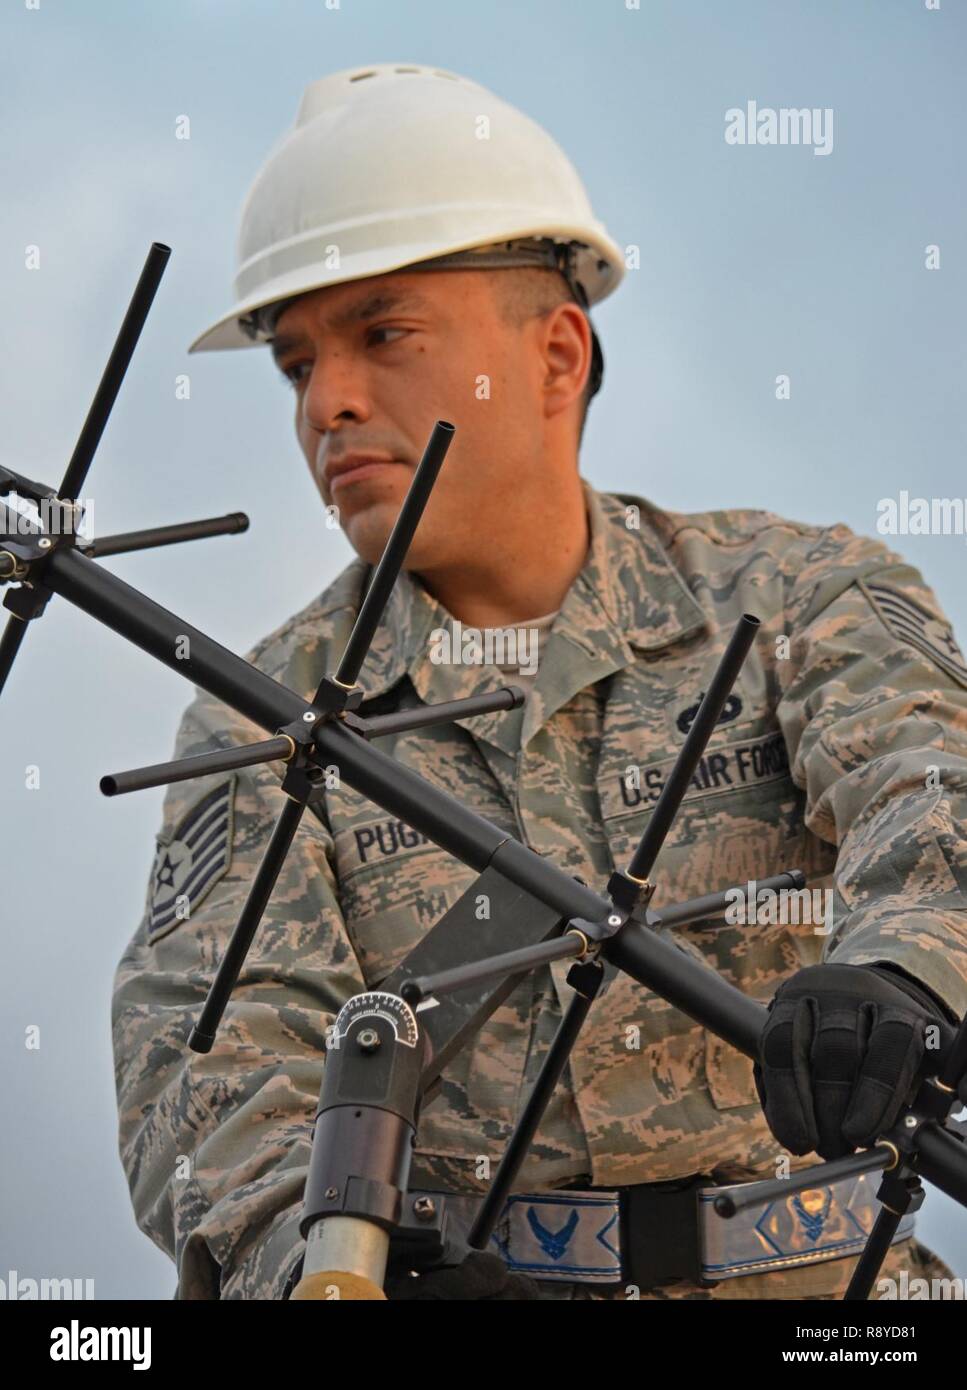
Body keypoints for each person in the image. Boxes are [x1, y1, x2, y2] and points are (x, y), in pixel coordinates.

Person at [112, 63, 967, 1301]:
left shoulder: (796, 595)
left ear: (556, 355)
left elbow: (930, 788)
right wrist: (339, 1273)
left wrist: (907, 975)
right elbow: (214, 1071)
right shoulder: (269, 716)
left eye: (383, 336)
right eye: (296, 365)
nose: (327, 403)